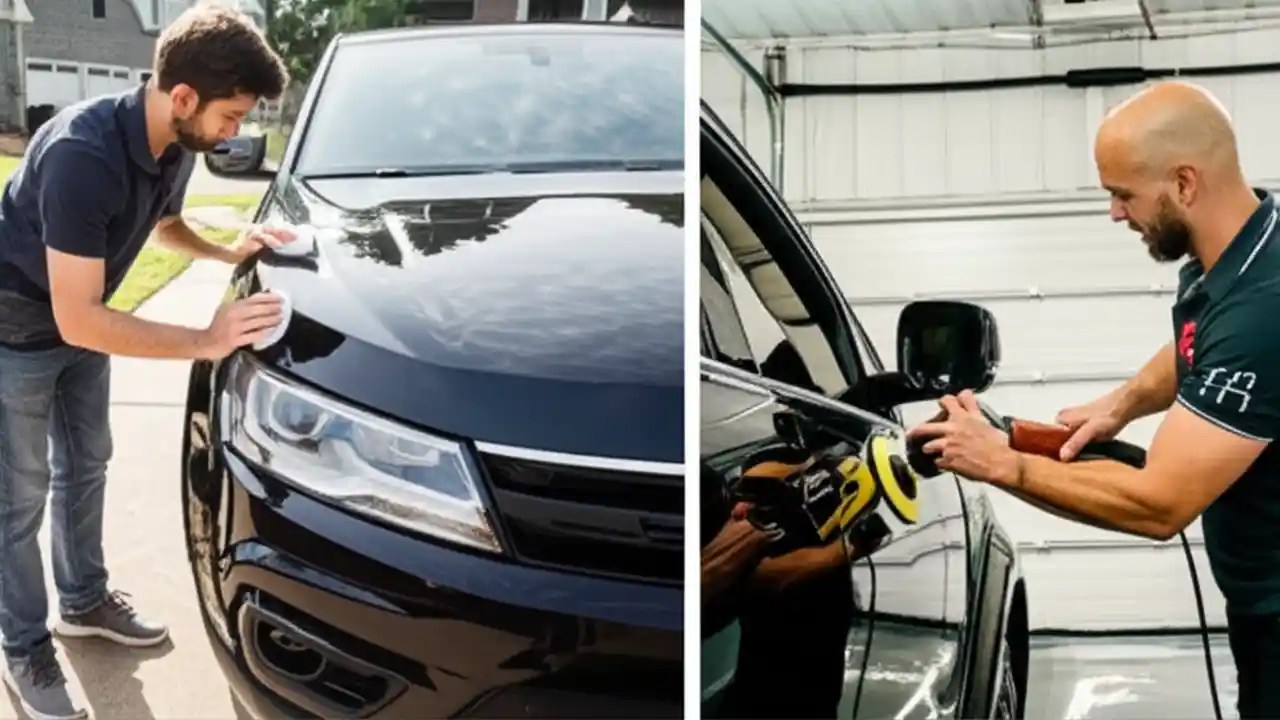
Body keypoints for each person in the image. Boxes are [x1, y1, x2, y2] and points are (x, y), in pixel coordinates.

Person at [906, 80, 1280, 718]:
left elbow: (1159, 505)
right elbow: (1200, 341)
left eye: (1123, 194)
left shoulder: (1264, 306)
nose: (1114, 213)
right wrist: (1125, 403)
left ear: (1184, 183)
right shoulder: (1233, 253)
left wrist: (1003, 462)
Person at [0, 6, 292, 718]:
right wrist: (206, 337)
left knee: (88, 464)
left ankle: (83, 599)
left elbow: (165, 224)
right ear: (183, 97)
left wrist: (232, 249)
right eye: (230, 116)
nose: (234, 133)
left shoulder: (174, 144)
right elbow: (77, 315)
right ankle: (24, 646)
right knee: (19, 496)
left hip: (79, 327)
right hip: (17, 333)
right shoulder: (83, 154)